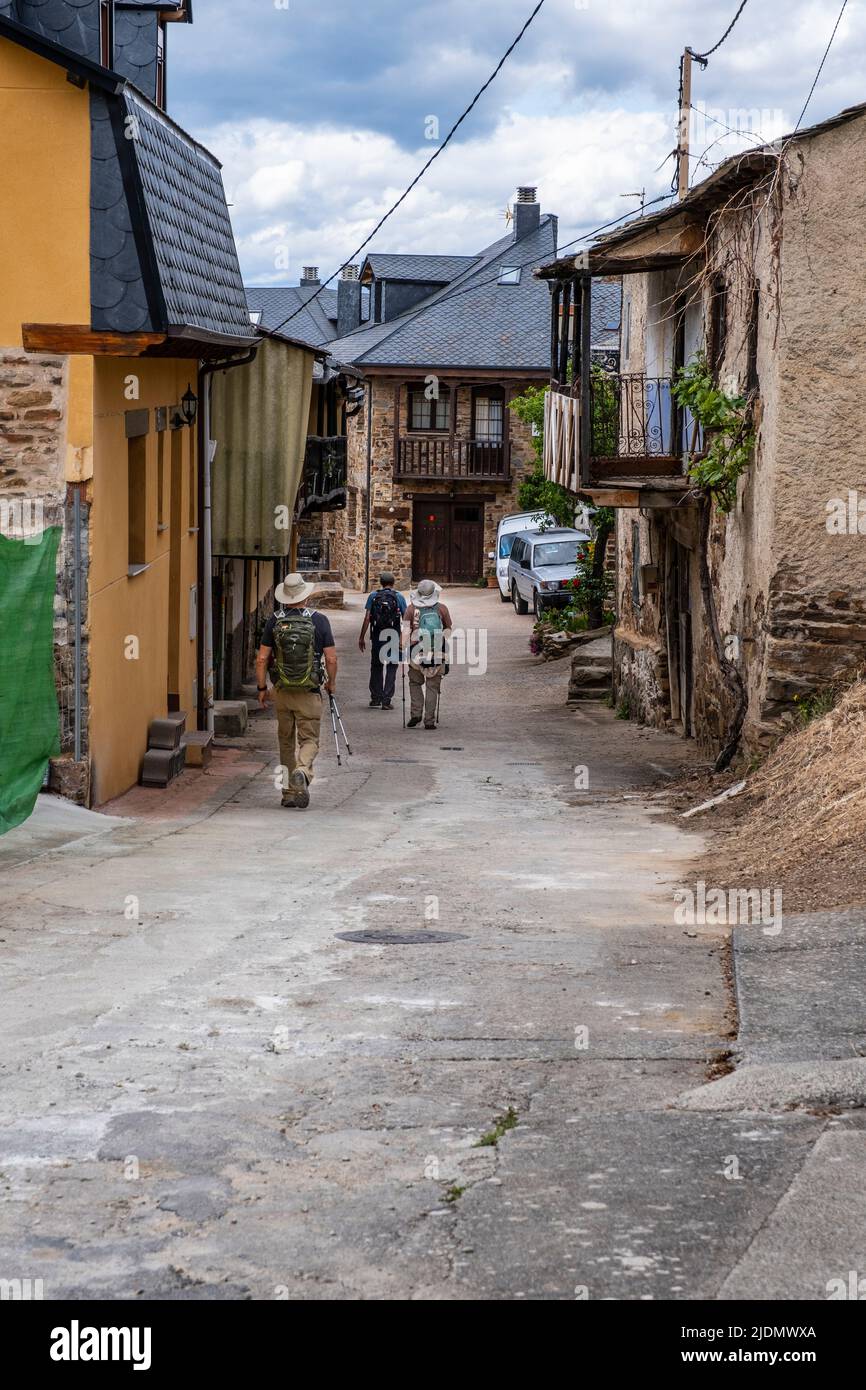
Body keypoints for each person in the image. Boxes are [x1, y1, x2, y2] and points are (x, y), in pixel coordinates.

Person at [256, 573, 337, 810]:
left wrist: (262, 688)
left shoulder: (274, 620)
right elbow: (331, 658)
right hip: (309, 690)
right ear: (305, 595)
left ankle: (288, 793)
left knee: (285, 742)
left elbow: (262, 659)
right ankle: (302, 771)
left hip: (281, 691)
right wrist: (331, 683)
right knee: (309, 739)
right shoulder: (320, 621)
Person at [404, 579, 452, 729]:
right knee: (432, 686)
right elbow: (448, 629)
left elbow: (406, 631)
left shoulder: (411, 609)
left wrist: (400, 646)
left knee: (415, 682)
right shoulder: (442, 609)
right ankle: (429, 720)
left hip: (416, 652)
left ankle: (416, 713)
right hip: (437, 651)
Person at [358, 571, 407, 710]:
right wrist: (404, 638)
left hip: (378, 635)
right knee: (392, 666)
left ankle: (376, 698)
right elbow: (406, 618)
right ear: (393, 583)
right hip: (394, 635)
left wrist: (362, 637)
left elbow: (367, 618)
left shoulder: (373, 596)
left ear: (381, 583)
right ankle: (386, 699)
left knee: (376, 666)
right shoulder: (399, 597)